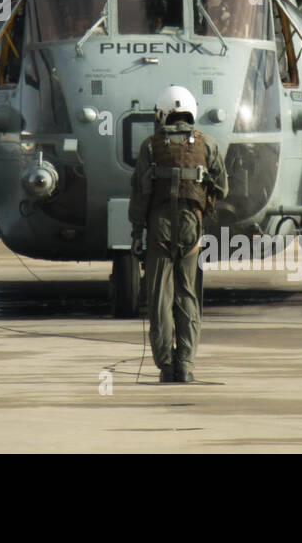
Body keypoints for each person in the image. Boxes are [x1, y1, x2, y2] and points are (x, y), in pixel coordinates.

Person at [129, 85, 227, 383]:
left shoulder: (149, 146)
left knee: (160, 296)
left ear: (163, 114)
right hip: (191, 228)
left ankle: (166, 366)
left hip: (159, 227)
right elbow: (223, 188)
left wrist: (136, 232)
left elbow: (140, 195)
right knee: (188, 295)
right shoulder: (207, 144)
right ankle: (185, 364)